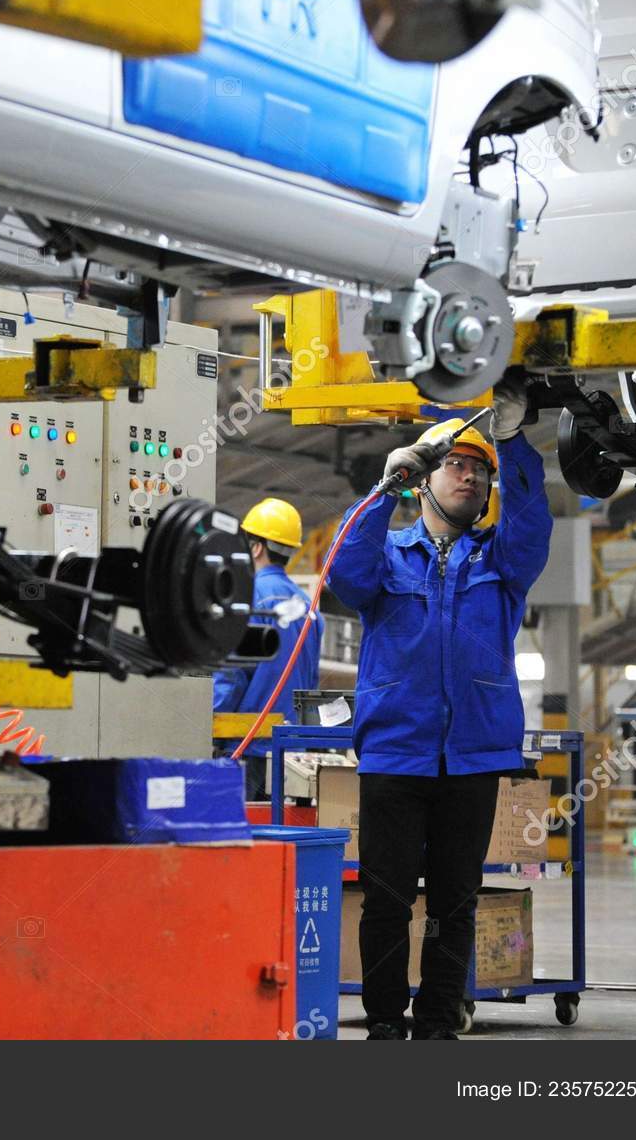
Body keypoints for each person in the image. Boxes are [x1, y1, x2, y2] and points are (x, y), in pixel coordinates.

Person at [326, 378, 550, 1040]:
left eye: (480, 471)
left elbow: (534, 524)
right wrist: (383, 490)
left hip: (474, 758)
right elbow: (343, 570)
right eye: (455, 464)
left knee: (456, 903)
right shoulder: (387, 558)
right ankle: (386, 1026)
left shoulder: (502, 565)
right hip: (397, 753)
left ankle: (439, 1023)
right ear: (424, 480)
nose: (469, 478)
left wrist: (512, 442)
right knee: (387, 903)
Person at [213, 497, 323, 799]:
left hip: (247, 746)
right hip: (291, 751)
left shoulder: (246, 595)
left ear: (256, 547)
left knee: (240, 837)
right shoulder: (310, 610)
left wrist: (209, 721)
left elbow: (233, 674)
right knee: (278, 837)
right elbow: (310, 682)